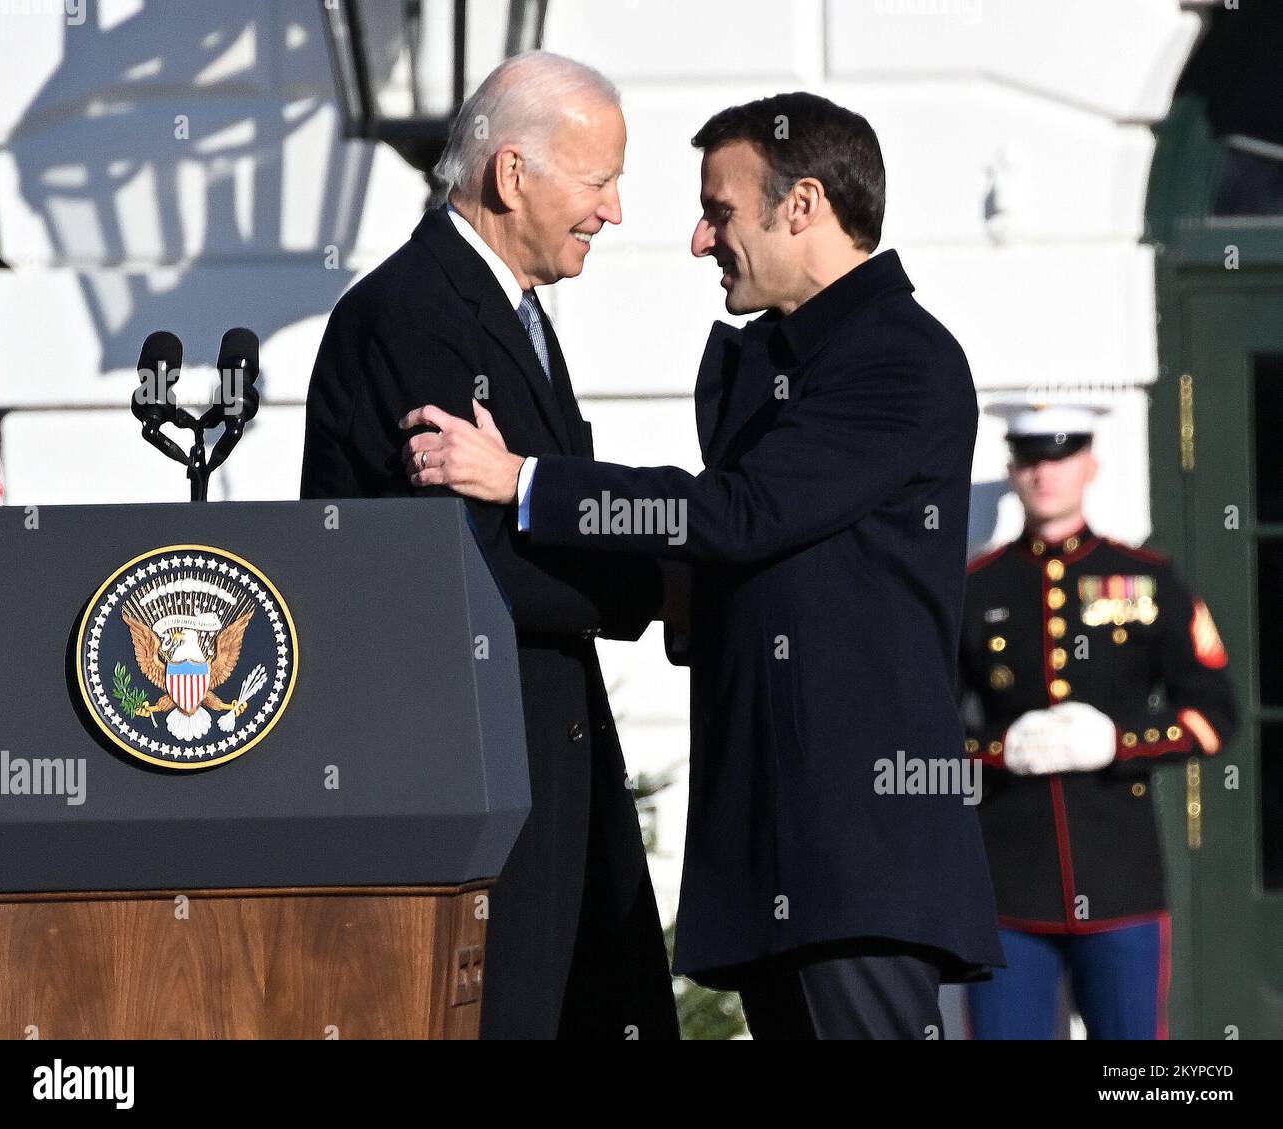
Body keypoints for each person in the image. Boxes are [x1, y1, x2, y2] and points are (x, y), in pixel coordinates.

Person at [402, 92, 1004, 1039]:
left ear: (801, 204)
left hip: (852, 861)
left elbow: (742, 513)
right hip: (779, 853)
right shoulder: (789, 359)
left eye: (719, 210)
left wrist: (526, 480)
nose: (698, 239)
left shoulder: (898, 357)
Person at [299, 52, 678, 1041]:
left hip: (535, 751)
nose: (615, 212)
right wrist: (668, 580)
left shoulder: (507, 313)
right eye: (598, 183)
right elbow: (459, 560)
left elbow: (537, 512)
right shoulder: (411, 315)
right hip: (467, 771)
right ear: (513, 174)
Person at [960, 403, 1238, 1039]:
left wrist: (1119, 741)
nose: (1045, 472)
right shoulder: (977, 587)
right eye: (1031, 460)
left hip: (1121, 876)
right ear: (1013, 470)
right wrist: (1001, 749)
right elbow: (923, 730)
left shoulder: (1147, 578)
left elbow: (1215, 714)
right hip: (1007, 881)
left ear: (1091, 465)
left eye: (1060, 456)